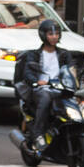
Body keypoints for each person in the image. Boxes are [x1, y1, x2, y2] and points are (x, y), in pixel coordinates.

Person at [14, 18, 69, 151]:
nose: (54, 37)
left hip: (60, 88)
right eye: (51, 34)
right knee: (46, 97)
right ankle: (38, 133)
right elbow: (28, 73)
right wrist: (36, 81)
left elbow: (71, 70)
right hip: (41, 89)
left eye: (56, 34)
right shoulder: (34, 55)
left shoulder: (64, 54)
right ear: (43, 35)